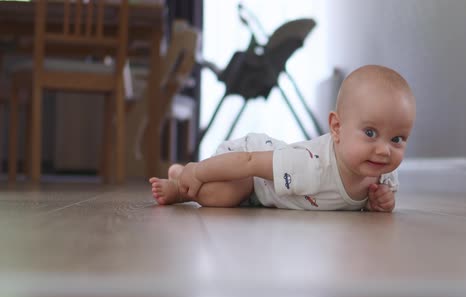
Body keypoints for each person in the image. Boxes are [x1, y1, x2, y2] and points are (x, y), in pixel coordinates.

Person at [149, 64, 416, 212]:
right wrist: (199, 171)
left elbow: (374, 201)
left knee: (230, 197)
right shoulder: (310, 164)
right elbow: (249, 161)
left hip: (268, 191)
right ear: (336, 128)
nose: (384, 151)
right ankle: (182, 184)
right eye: (370, 133)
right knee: (223, 195)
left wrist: (380, 202)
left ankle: (179, 173)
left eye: (397, 139)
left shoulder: (382, 175)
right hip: (250, 169)